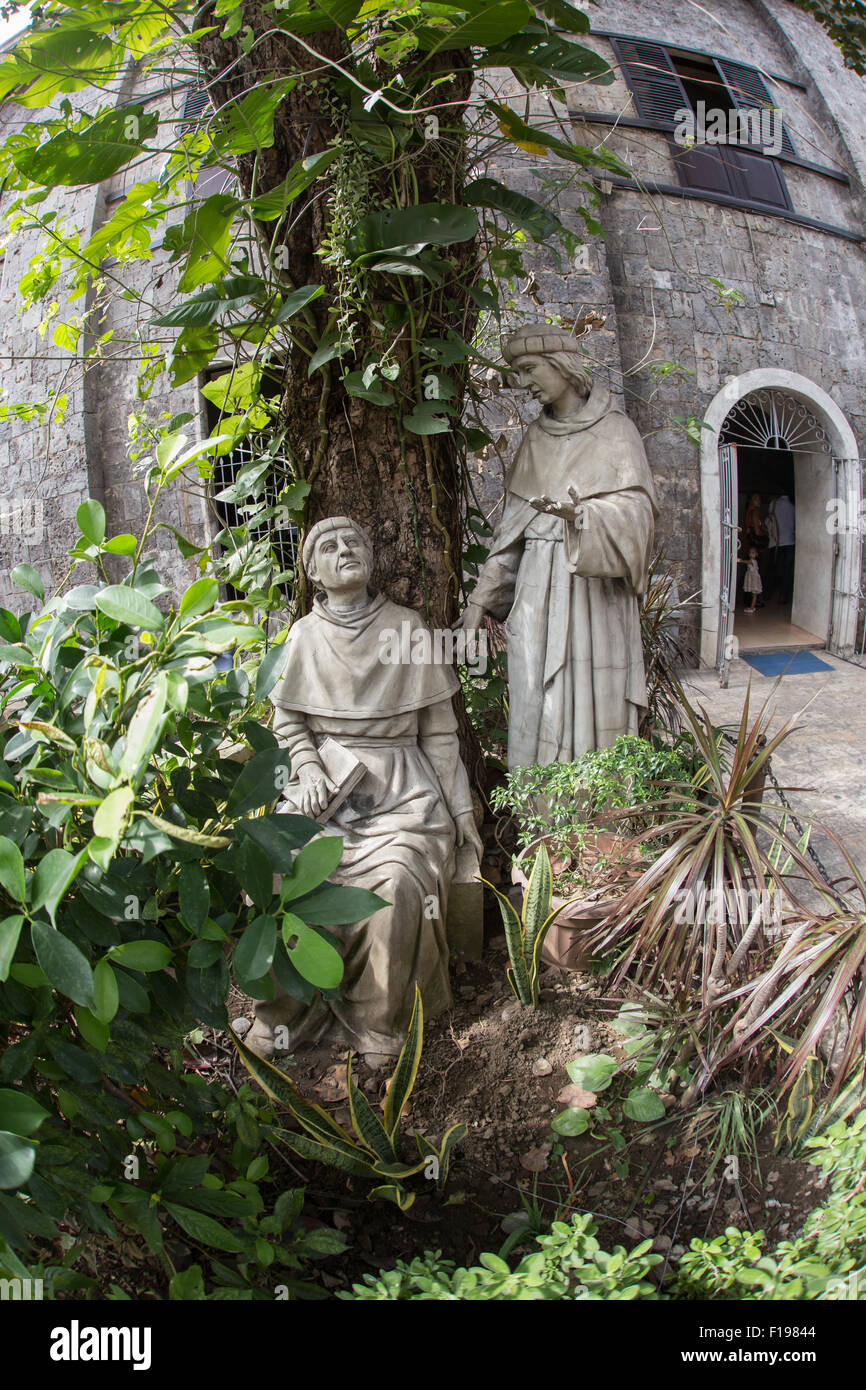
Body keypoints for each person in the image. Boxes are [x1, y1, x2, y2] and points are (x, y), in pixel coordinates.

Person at [247, 517, 482, 1066]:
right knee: (280, 871)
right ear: (312, 572)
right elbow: (289, 724)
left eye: (354, 540)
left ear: (371, 555)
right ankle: (287, 1017)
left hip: (403, 793)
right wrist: (305, 770)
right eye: (328, 546)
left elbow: (441, 733)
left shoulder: (409, 628)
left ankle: (379, 1024)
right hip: (325, 787)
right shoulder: (303, 637)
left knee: (399, 882)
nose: (344, 549)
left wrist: (463, 809)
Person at [461, 325, 658, 767]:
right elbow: (510, 535)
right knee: (535, 696)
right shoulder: (534, 439)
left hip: (593, 592)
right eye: (516, 372)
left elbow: (640, 518)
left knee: (595, 702)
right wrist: (481, 602)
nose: (522, 382)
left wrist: (585, 519)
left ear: (563, 366)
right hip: (536, 587)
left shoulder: (617, 432)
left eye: (529, 369)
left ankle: (599, 819)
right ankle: (541, 815)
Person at [774, 492, 796, 605]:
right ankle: (783, 595)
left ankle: (766, 593)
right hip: (790, 542)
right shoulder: (793, 507)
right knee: (787, 571)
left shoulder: (773, 504)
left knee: (772, 568)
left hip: (775, 541)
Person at [738, 546, 762, 612]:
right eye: (750, 553)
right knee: (753, 594)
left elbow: (747, 562)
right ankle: (752, 606)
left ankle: (752, 607)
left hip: (754, 579)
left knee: (754, 594)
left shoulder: (753, 561)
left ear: (756, 554)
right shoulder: (752, 561)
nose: (751, 554)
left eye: (753, 553)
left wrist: (740, 560)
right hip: (751, 578)